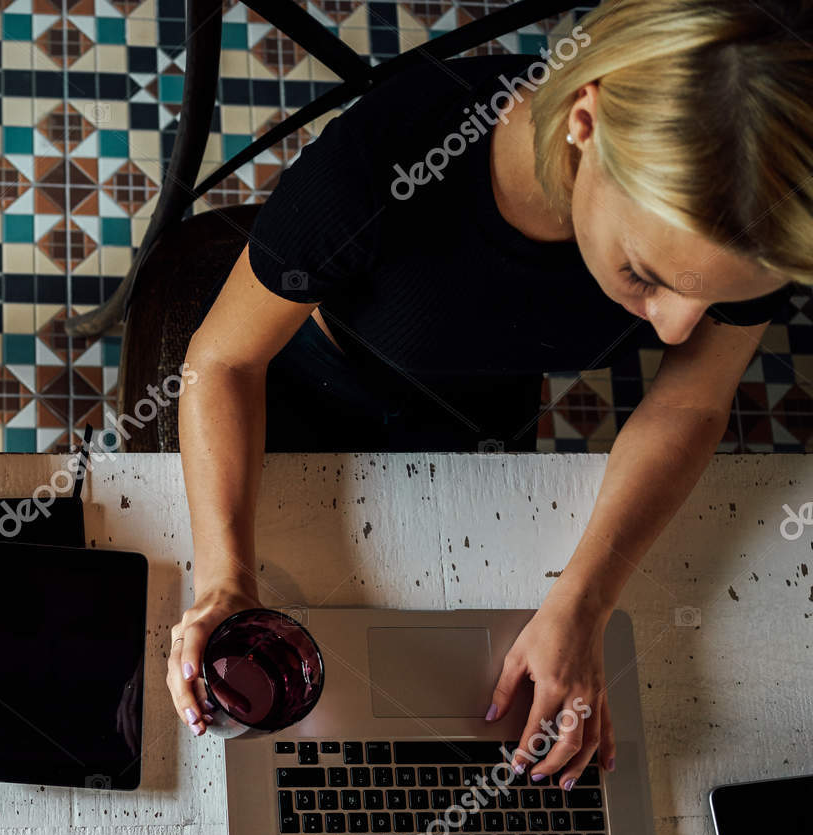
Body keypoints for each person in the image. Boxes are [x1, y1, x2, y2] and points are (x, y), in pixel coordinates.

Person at [165, 0, 812, 788]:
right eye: (647, 275)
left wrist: (583, 604)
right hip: (306, 386)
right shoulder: (398, 153)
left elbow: (689, 403)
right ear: (585, 119)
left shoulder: (748, 209)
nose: (677, 333)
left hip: (486, 420)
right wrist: (226, 582)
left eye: (714, 304)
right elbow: (224, 361)